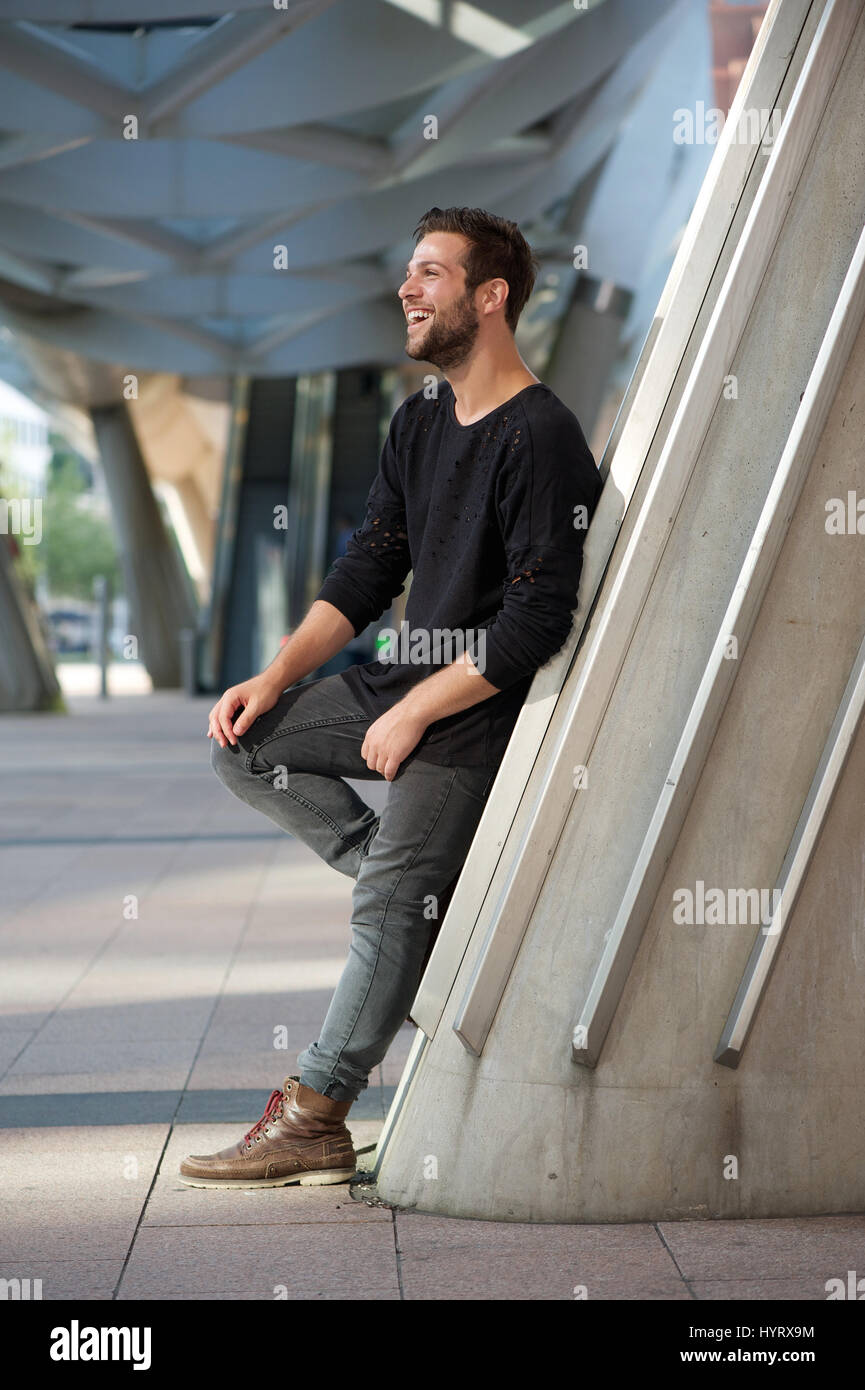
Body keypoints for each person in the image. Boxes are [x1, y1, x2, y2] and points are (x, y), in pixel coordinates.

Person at [179, 206, 603, 1189]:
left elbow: (539, 619)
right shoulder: (418, 418)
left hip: (472, 710)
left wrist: (418, 712)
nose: (406, 291)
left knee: (384, 907)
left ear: (488, 296)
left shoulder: (539, 435)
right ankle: (423, 906)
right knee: (244, 746)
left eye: (428, 274)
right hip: (397, 673)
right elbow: (370, 567)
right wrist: (275, 676)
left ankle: (316, 1113)